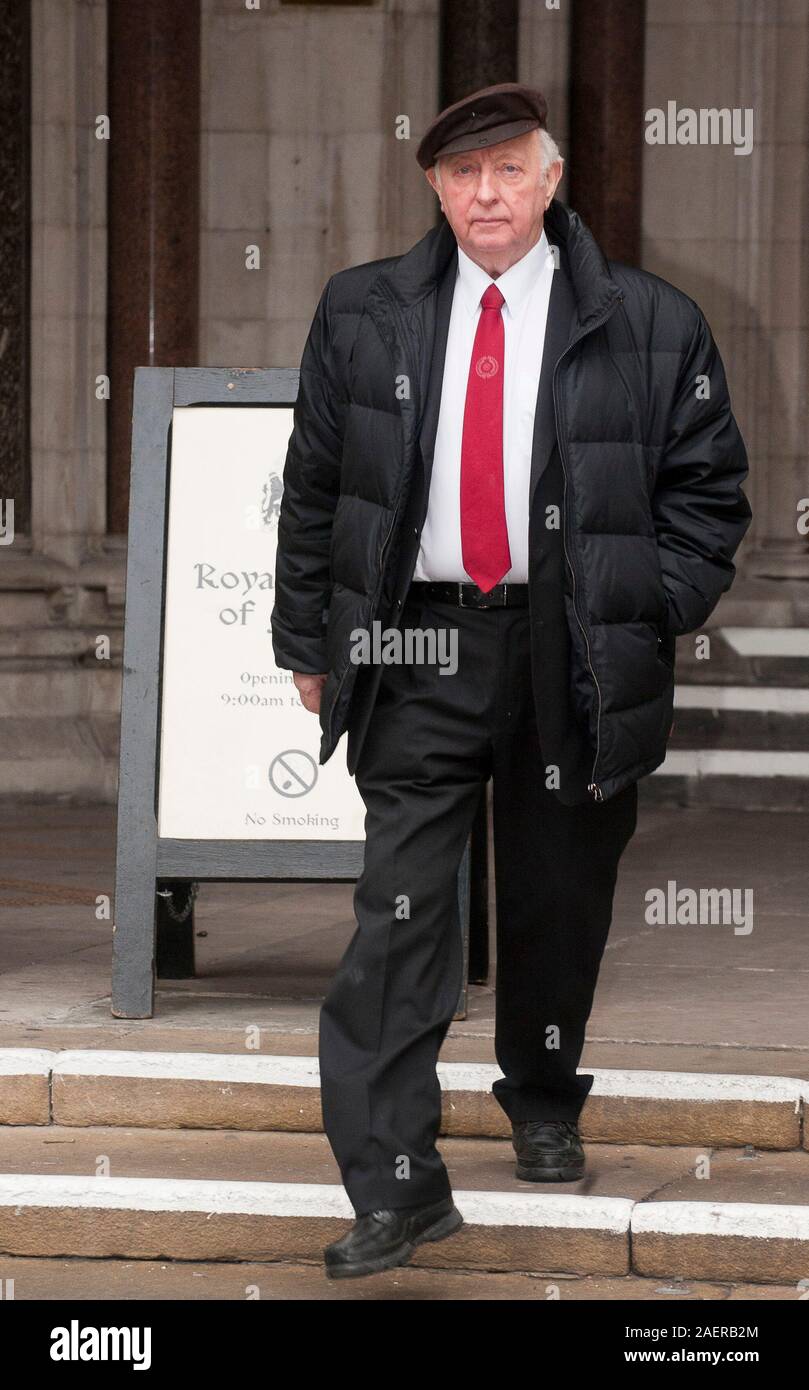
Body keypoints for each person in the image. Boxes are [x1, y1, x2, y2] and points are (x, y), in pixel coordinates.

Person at [271, 82, 752, 1280]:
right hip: (413, 641)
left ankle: (541, 1097)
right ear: (432, 187)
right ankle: (394, 1183)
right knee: (399, 910)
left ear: (548, 183)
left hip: (567, 642)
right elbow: (316, 487)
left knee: (554, 894)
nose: (483, 194)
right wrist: (307, 643)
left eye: (506, 172)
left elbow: (708, 498)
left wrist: (642, 611)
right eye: (459, 174)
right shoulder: (360, 312)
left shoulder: (651, 320)